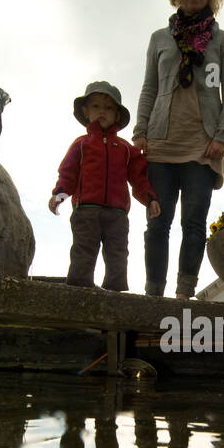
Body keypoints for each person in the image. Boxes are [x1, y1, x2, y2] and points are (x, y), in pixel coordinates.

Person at [132, 0, 224, 299]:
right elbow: (149, 87)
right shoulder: (159, 40)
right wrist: (140, 131)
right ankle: (153, 296)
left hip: (203, 146)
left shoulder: (223, 42)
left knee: (193, 224)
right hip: (161, 145)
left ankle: (183, 296)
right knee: (157, 224)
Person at [50, 81, 160, 292]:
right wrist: (59, 195)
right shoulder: (81, 144)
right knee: (83, 250)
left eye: (108, 108)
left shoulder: (126, 149)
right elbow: (68, 174)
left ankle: (115, 293)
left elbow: (138, 178)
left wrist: (150, 199)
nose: (102, 111)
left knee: (118, 253)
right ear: (86, 111)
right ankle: (78, 292)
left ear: (117, 115)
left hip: (117, 214)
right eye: (96, 106)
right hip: (86, 211)